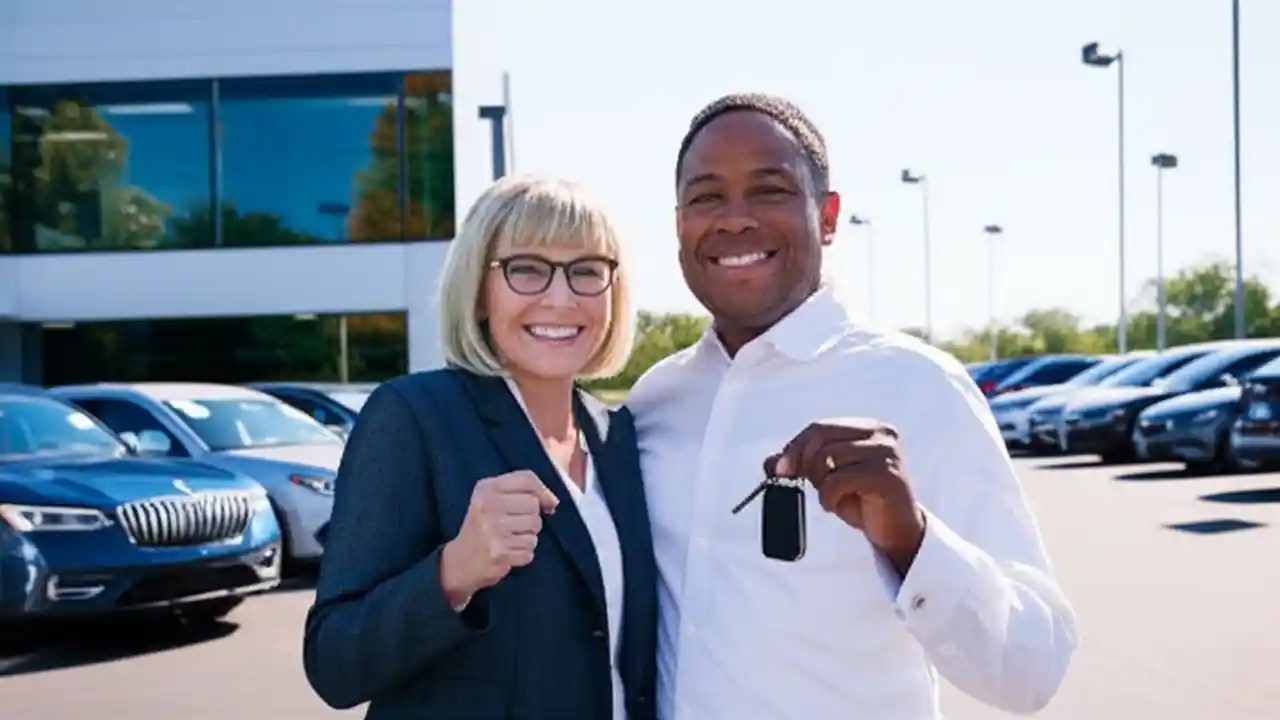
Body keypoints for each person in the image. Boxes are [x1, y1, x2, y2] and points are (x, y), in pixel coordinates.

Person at [626, 93, 1079, 719]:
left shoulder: (919, 388)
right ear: (679, 223)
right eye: (706, 196)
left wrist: (912, 541)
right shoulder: (655, 401)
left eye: (769, 190)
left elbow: (1032, 673)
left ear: (829, 216)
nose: (734, 219)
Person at [303, 174, 658, 719]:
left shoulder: (619, 438)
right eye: (527, 269)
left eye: (586, 271)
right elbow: (335, 662)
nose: (560, 298)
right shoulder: (415, 417)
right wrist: (453, 572)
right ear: (479, 290)